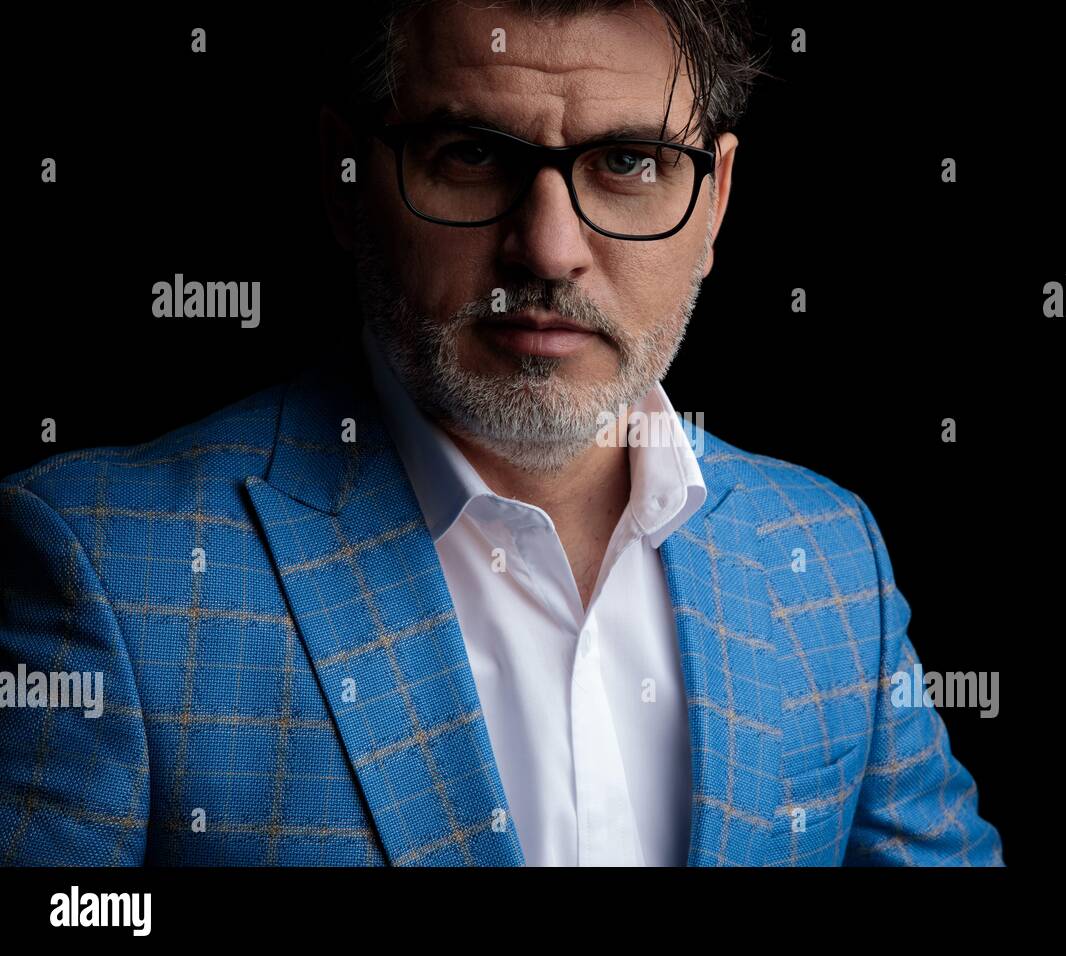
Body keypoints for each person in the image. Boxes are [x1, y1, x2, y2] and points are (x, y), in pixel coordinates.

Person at [0, 0, 1002, 866]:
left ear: (715, 202)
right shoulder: (105, 564)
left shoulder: (829, 554)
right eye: (473, 154)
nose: (549, 248)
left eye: (628, 162)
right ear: (346, 178)